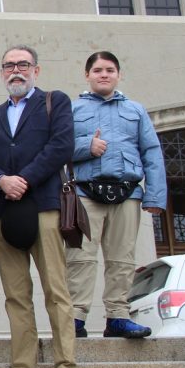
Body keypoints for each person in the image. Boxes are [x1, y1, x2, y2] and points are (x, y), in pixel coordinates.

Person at [0, 45, 79, 368]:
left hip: (44, 207)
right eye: (8, 66)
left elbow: (61, 146)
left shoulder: (54, 102)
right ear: (1, 72)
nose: (15, 71)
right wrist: (1, 180)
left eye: (22, 65)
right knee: (16, 295)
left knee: (56, 290)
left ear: (36, 69)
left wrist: (25, 179)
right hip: (4, 213)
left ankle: (65, 366)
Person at [68, 51, 167, 339]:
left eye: (110, 70)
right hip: (85, 193)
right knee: (80, 258)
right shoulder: (73, 110)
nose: (104, 74)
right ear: (87, 75)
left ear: (119, 74)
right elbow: (58, 148)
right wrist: (87, 146)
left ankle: (118, 316)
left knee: (122, 260)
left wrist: (155, 197)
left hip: (128, 194)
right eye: (97, 70)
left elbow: (152, 152)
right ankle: (74, 317)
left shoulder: (136, 110)